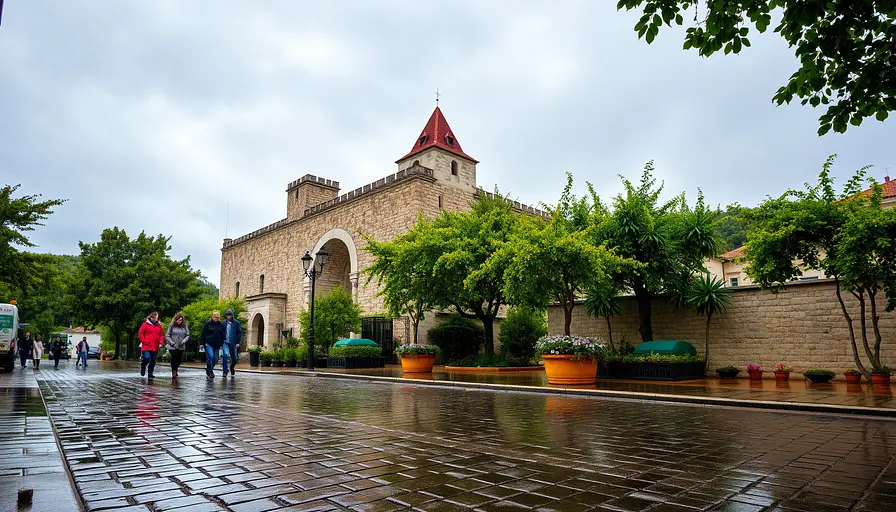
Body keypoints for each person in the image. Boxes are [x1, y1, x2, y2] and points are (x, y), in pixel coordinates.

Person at [138, 312, 164, 378]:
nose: (154, 319)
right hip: (146, 346)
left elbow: (161, 335)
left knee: (153, 360)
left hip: (155, 346)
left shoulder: (159, 326)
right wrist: (144, 341)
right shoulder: (145, 325)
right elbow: (140, 333)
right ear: (150, 317)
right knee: (146, 358)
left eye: (156, 317)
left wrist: (160, 342)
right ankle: (143, 366)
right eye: (153, 317)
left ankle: (150, 373)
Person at [199, 311, 226, 379]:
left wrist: (222, 343)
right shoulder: (208, 324)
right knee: (211, 356)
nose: (216, 319)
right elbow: (203, 334)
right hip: (209, 343)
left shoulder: (220, 325)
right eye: (215, 317)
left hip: (217, 344)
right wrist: (202, 343)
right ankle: (210, 372)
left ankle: (209, 369)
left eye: (218, 317)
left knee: (216, 359)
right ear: (212, 317)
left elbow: (223, 334)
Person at [165, 313, 189, 378]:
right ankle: (174, 371)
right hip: (172, 346)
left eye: (180, 320)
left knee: (179, 359)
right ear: (175, 320)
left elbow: (187, 335)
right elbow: (167, 335)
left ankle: (176, 368)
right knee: (174, 358)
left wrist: (184, 341)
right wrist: (171, 342)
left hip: (181, 346)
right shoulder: (171, 326)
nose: (179, 321)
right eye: (178, 320)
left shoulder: (184, 326)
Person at [222, 309, 242, 377]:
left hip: (233, 343)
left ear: (232, 315)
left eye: (230, 315)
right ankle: (225, 371)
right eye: (227, 315)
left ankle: (232, 368)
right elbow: (221, 332)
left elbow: (239, 332)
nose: (228, 316)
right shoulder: (224, 323)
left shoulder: (236, 323)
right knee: (225, 355)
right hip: (225, 342)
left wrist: (238, 342)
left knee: (235, 359)